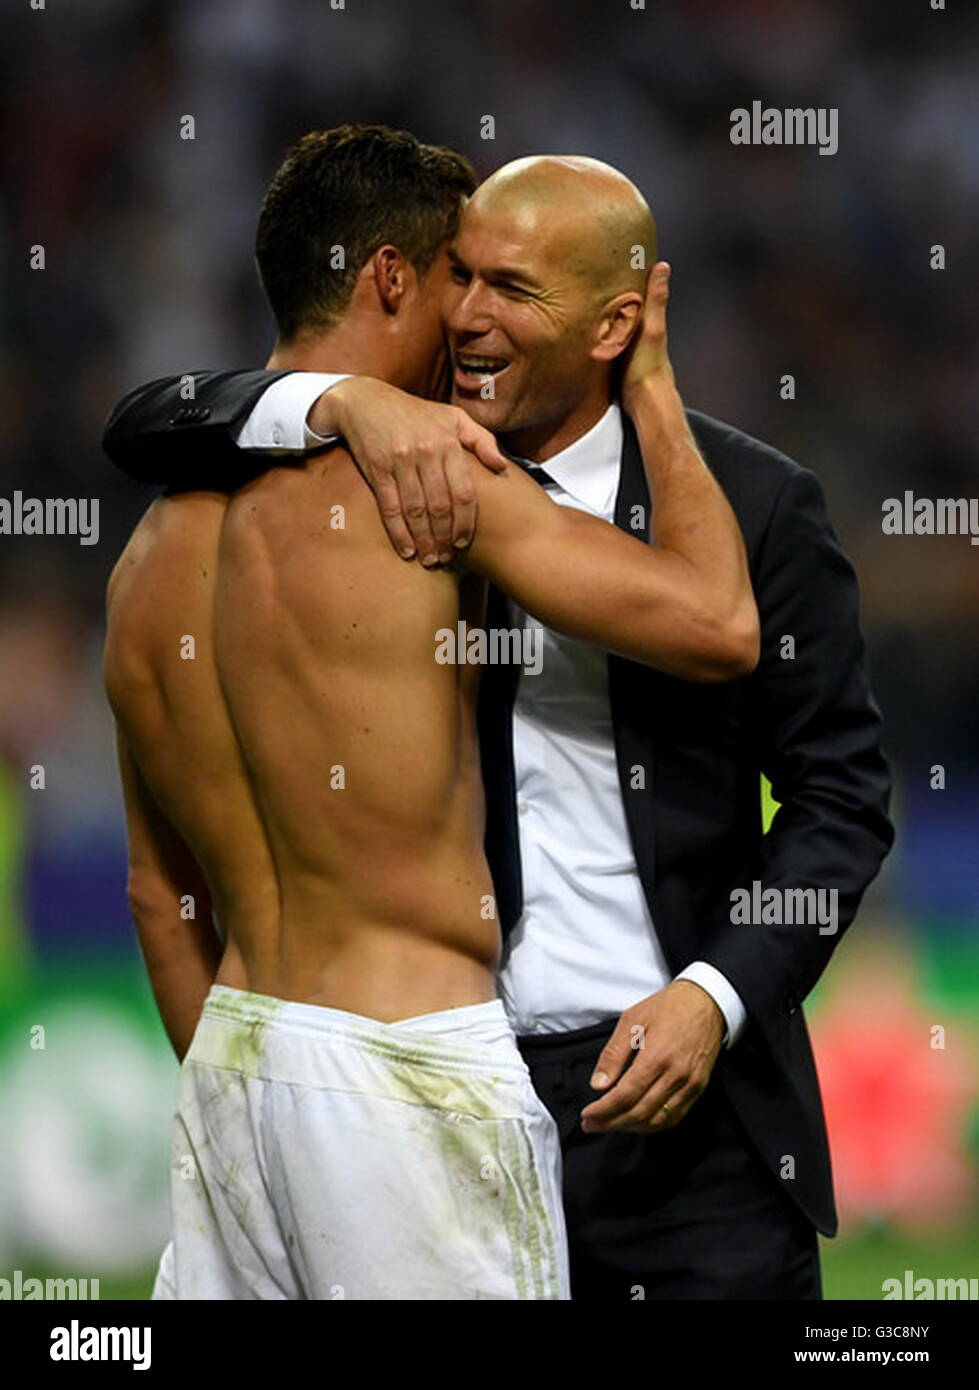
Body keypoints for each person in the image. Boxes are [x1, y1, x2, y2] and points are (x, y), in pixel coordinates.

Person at [105, 137, 893, 1301]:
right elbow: (146, 415)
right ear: (399, 276)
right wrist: (347, 400)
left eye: (511, 289)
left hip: (681, 1118)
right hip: (448, 1067)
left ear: (613, 321)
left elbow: (840, 799)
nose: (470, 316)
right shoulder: (427, 475)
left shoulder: (758, 506)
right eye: (458, 275)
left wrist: (714, 993)